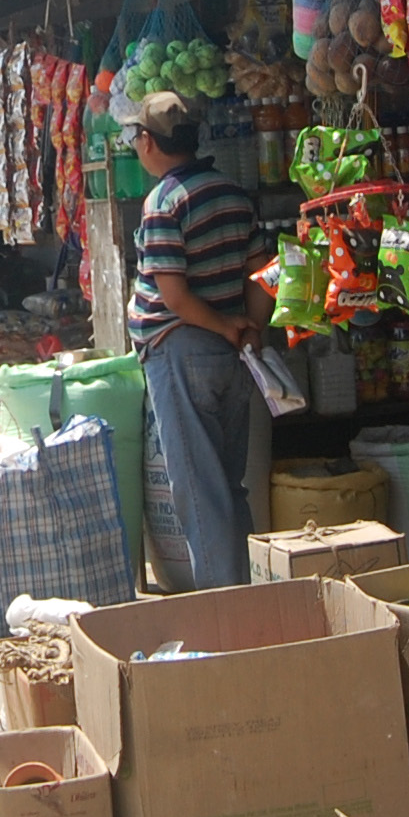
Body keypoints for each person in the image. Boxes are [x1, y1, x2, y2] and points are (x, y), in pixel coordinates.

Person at [124, 92, 268, 592]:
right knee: (227, 484)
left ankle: (221, 608)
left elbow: (175, 296)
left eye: (134, 137)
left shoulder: (163, 202)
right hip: (231, 355)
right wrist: (249, 326)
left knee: (198, 491)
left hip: (184, 352)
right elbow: (260, 272)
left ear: (148, 142)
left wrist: (228, 327)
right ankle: (245, 595)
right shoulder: (230, 192)